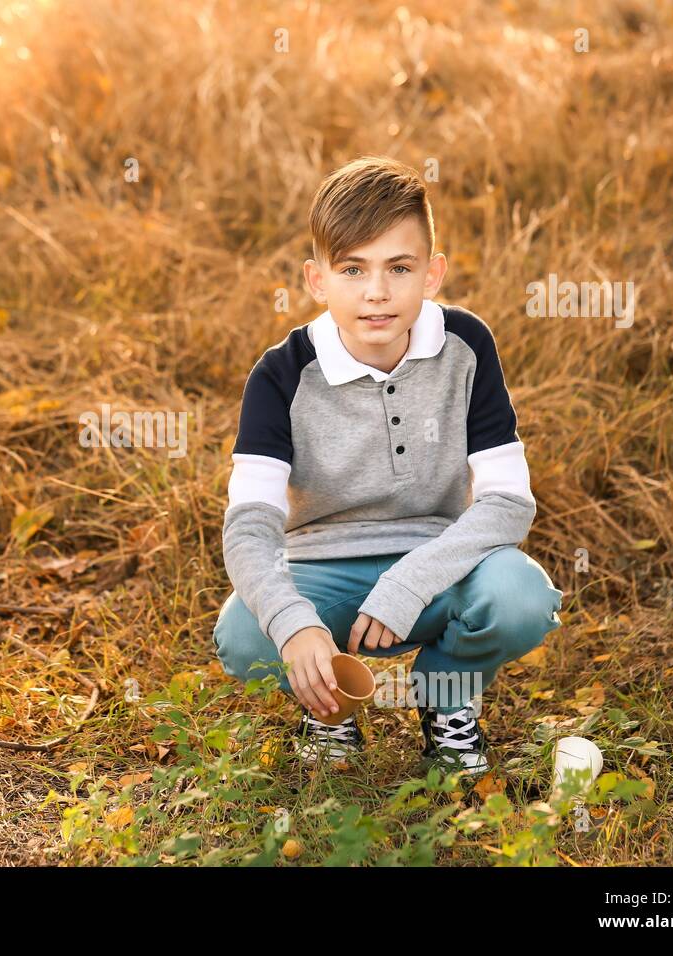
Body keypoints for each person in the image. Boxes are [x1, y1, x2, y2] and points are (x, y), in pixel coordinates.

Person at [214, 156, 563, 776]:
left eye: (398, 268)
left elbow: (508, 501)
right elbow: (249, 528)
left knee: (520, 595)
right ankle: (329, 702)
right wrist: (294, 626)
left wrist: (409, 584)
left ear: (432, 274)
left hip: (438, 558)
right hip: (322, 568)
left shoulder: (467, 346)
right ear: (317, 280)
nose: (377, 292)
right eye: (353, 269)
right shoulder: (280, 374)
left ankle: (446, 699)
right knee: (245, 634)